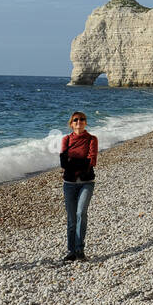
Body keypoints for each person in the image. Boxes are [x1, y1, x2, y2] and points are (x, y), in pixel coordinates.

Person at [60, 111, 98, 263]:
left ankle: (80, 250)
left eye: (82, 119)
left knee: (81, 214)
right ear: (71, 123)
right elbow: (63, 162)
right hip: (69, 183)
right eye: (75, 120)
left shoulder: (92, 139)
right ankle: (71, 251)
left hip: (87, 182)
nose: (79, 122)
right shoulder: (66, 139)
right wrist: (79, 162)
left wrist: (72, 161)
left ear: (85, 123)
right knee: (71, 218)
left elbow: (92, 160)